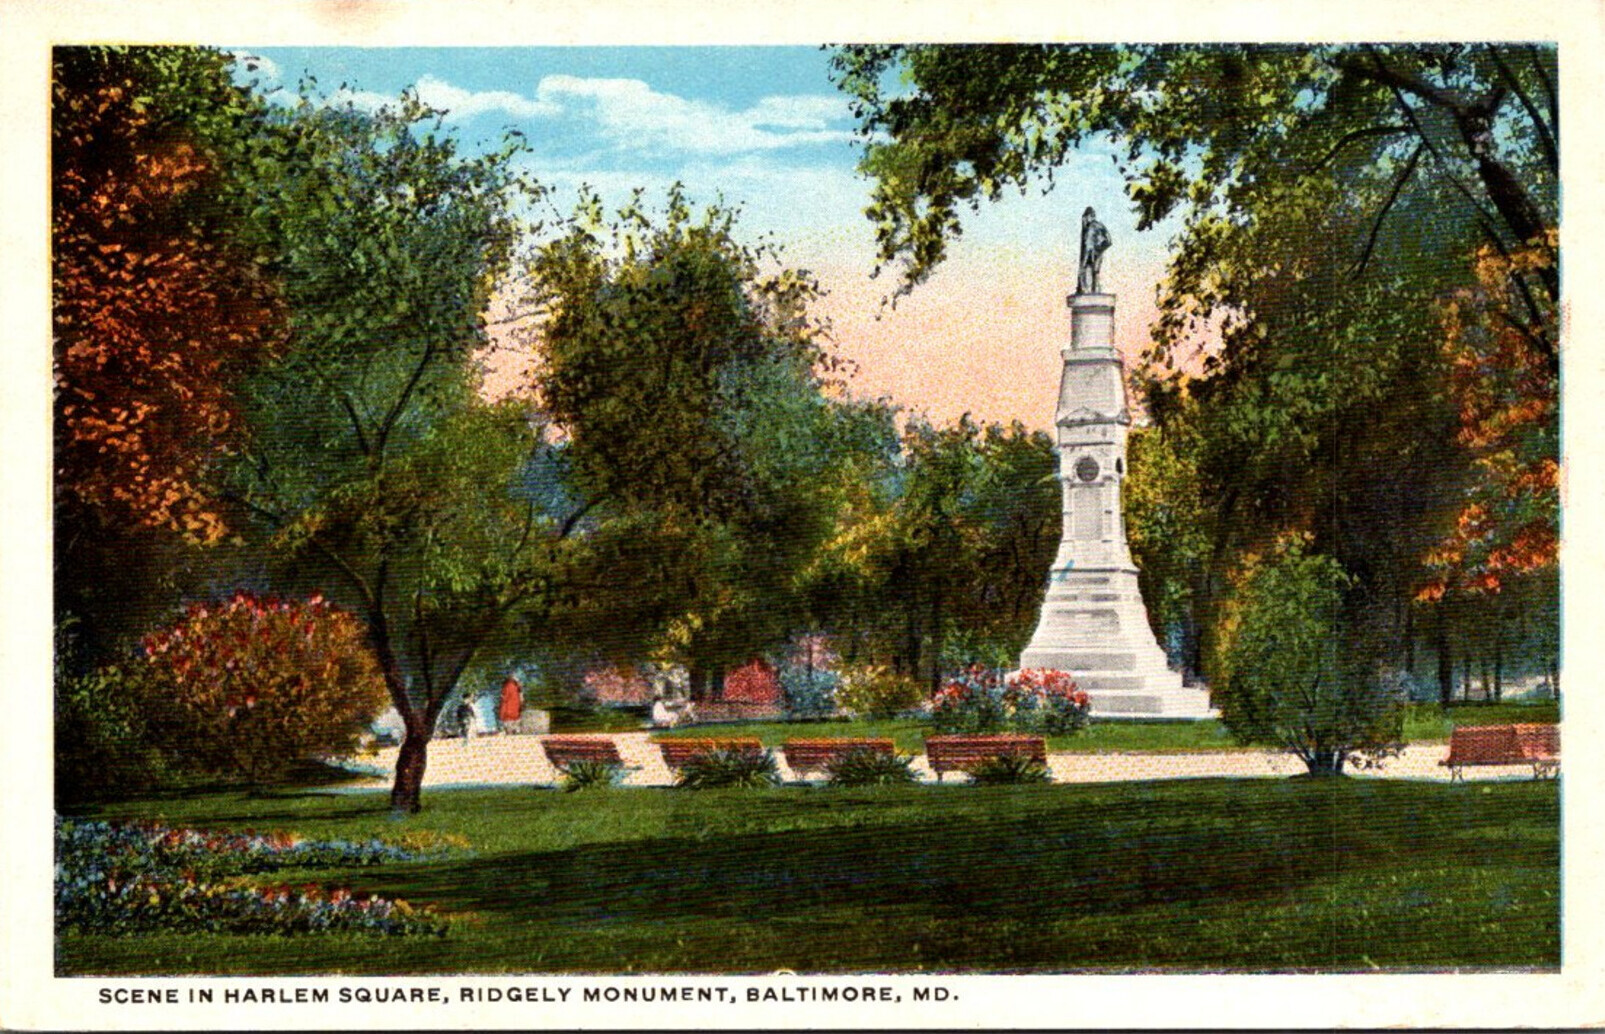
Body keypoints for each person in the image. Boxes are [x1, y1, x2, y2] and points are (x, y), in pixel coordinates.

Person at [1077, 206, 1111, 295]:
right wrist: (1100, 248)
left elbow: (1089, 245)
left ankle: (1088, 291)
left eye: (1085, 217)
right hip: (1095, 252)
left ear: (1089, 216)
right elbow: (1108, 240)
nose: (1084, 220)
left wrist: (1098, 248)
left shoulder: (1092, 227)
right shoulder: (1098, 225)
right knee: (1095, 272)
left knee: (1087, 271)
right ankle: (1094, 290)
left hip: (1091, 253)